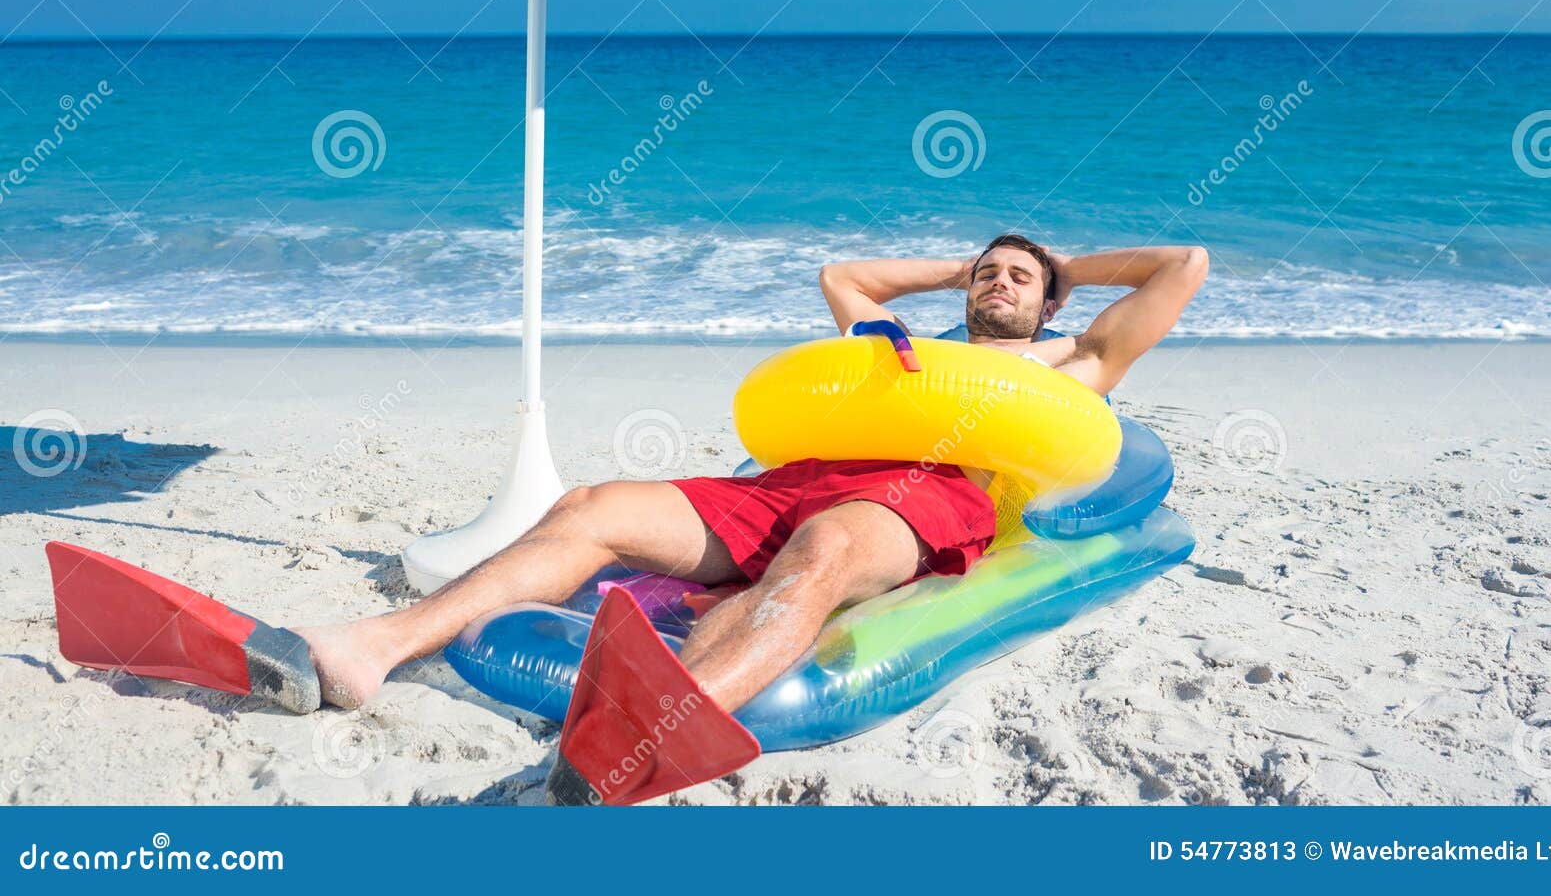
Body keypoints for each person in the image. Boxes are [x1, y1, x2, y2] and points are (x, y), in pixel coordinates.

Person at [297, 235, 1209, 718]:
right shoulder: (905, 351)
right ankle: (375, 647)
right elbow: (841, 275)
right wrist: (960, 271)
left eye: (1015, 278)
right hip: (796, 478)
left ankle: (670, 715)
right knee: (590, 505)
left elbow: (1183, 266)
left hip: (922, 496)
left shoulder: (1065, 361)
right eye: (987, 275)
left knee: (823, 549)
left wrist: (1056, 272)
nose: (998, 284)